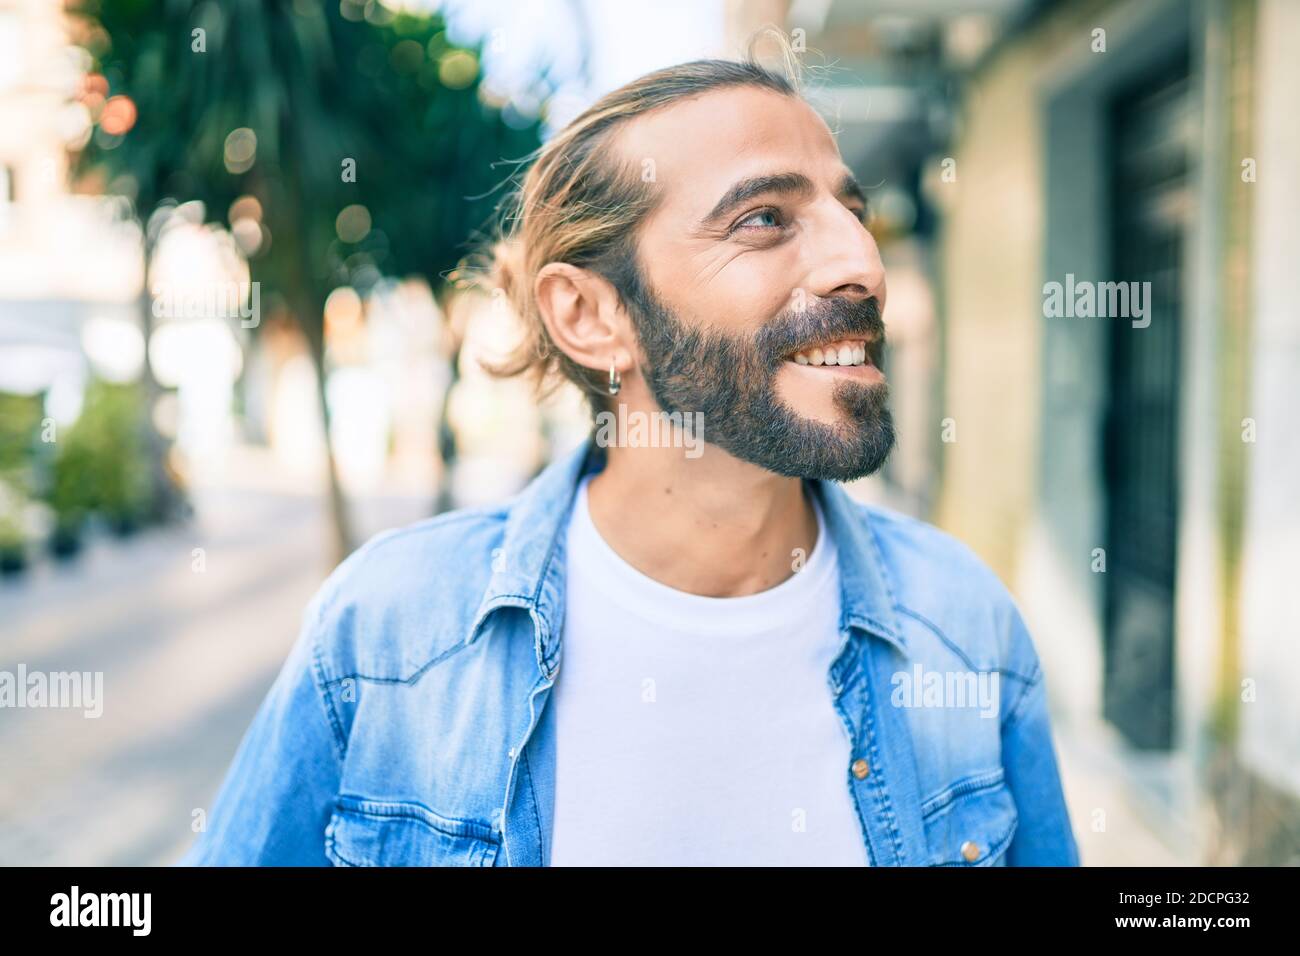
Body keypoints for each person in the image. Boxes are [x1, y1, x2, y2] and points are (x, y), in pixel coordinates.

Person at [180, 48, 1079, 868]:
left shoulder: (963, 627)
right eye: (765, 218)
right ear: (589, 316)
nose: (863, 263)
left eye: (851, 209)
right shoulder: (386, 637)